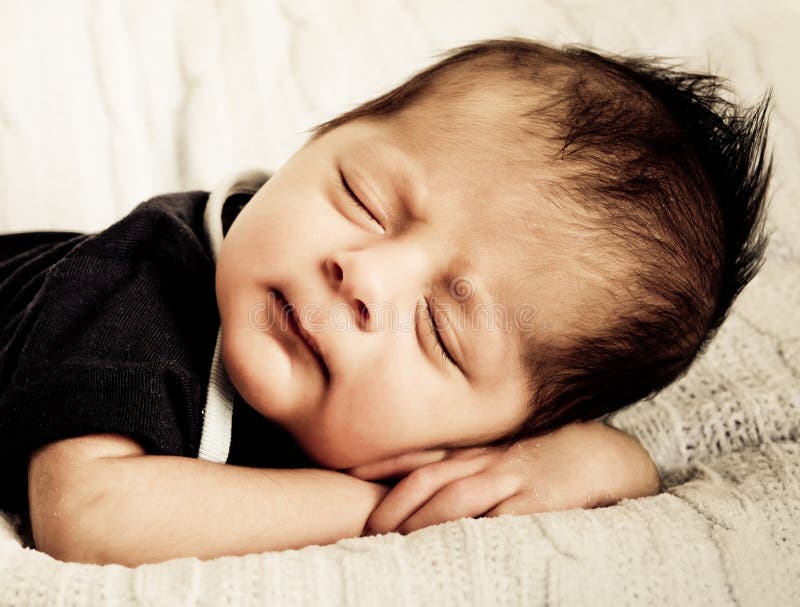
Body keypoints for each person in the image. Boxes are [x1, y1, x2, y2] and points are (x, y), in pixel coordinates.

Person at [0, 37, 772, 566]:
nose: (364, 277)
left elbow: (594, 462)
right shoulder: (140, 280)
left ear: (471, 442)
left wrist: (600, 459)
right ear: (313, 144)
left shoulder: (460, 422)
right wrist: (376, 509)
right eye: (363, 198)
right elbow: (87, 512)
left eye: (440, 328)